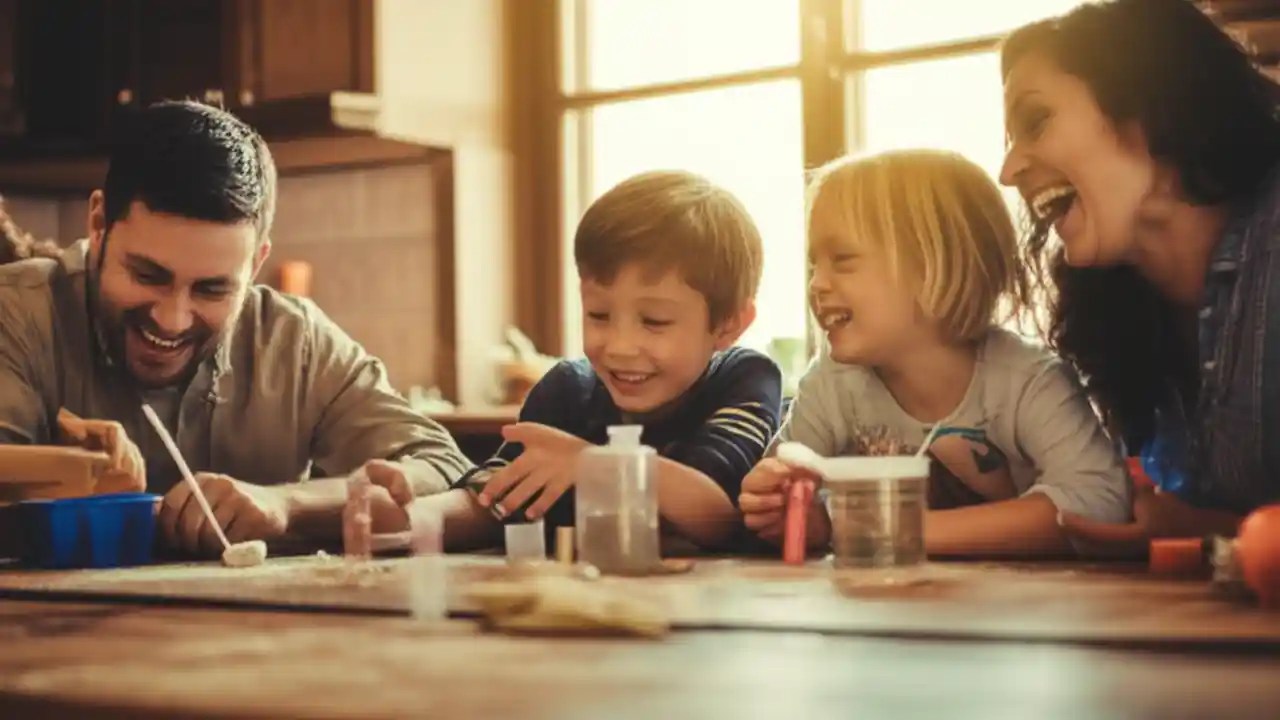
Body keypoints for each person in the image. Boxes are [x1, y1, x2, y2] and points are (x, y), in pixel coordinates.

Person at [0, 100, 471, 557]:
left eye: (211, 290)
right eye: (147, 275)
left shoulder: (294, 341)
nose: (172, 319)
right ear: (99, 223)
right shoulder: (17, 313)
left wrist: (286, 506)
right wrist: (70, 471)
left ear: (257, 262)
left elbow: (444, 467)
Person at [739, 149, 1130, 557]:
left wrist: (900, 530)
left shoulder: (1028, 381)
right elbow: (795, 489)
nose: (817, 284)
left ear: (933, 267)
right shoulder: (832, 382)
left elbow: (1099, 500)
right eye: (813, 265)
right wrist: (779, 502)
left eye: (843, 260)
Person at [999, 0, 1280, 550]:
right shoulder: (1117, 317)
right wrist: (1204, 532)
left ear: (1147, 103)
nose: (1008, 171)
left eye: (1036, 121)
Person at [420, 170, 783, 551]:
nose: (620, 346)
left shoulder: (743, 378)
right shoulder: (567, 388)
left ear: (729, 325)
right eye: (598, 315)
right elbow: (495, 496)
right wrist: (412, 516)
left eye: (654, 321)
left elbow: (716, 516)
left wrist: (595, 465)